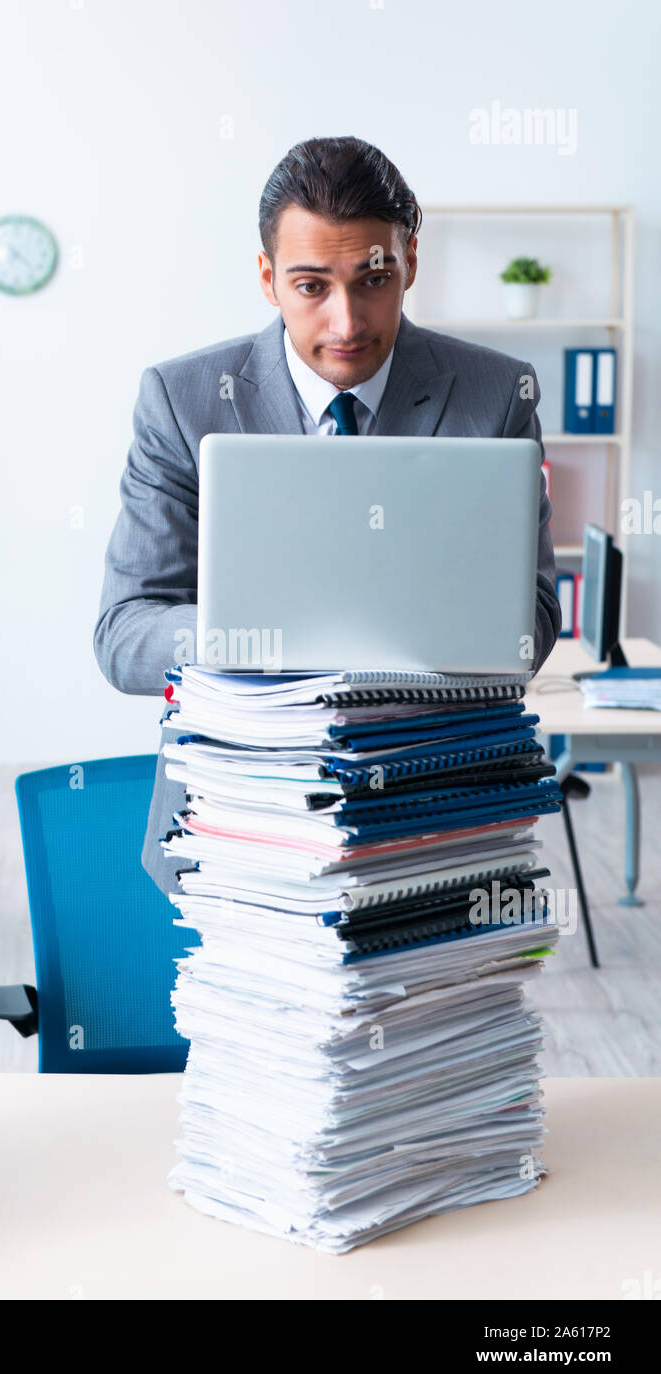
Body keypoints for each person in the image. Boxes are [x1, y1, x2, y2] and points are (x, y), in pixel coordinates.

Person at [93, 135, 562, 899]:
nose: (345, 321)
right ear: (267, 279)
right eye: (311, 286)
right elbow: (124, 634)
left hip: (438, 807)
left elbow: (532, 622)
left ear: (408, 262)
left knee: (437, 1019)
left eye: (371, 279)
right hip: (241, 815)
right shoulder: (180, 401)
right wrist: (263, 635)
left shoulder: (496, 394)